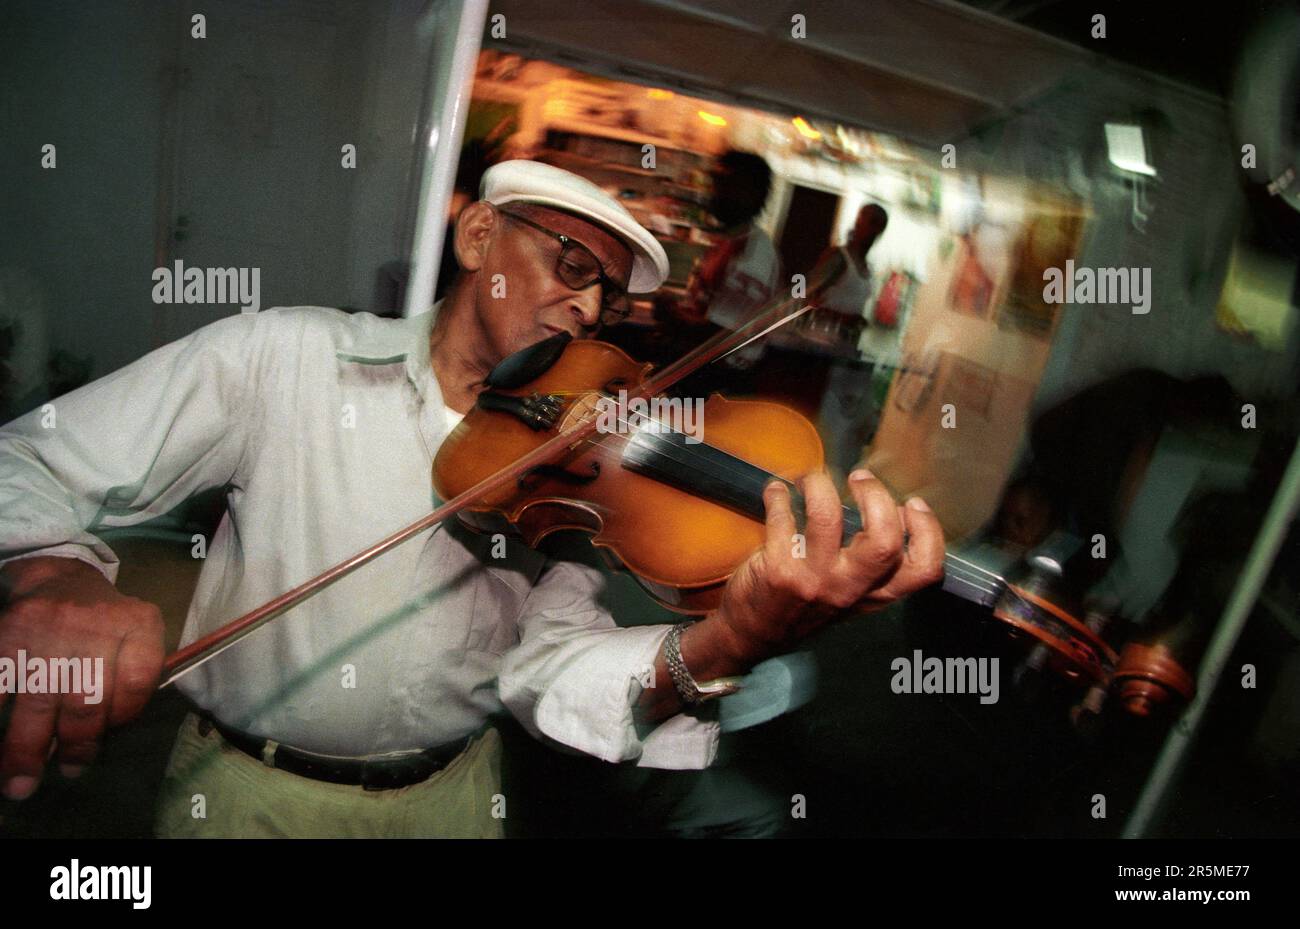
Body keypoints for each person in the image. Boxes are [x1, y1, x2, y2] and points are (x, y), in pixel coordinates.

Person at [0, 160, 944, 837]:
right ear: (479, 235)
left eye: (608, 298)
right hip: (250, 803)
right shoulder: (284, 356)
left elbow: (553, 672)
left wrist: (728, 643)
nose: (588, 310)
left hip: (456, 803)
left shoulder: (577, 478)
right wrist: (52, 570)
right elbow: (28, 458)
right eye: (573, 266)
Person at [659, 150, 781, 395]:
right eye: (716, 183)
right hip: (702, 376)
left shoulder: (752, 256)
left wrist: (670, 313)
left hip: (717, 387)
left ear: (750, 194)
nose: (713, 193)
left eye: (725, 185)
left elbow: (721, 336)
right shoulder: (731, 240)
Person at [810, 203, 889, 477]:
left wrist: (855, 321)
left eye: (875, 224)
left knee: (841, 422)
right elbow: (807, 299)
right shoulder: (838, 257)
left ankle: (832, 472)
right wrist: (842, 318)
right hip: (819, 349)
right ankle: (811, 465)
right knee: (821, 418)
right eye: (865, 220)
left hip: (845, 353)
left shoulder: (867, 268)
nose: (866, 228)